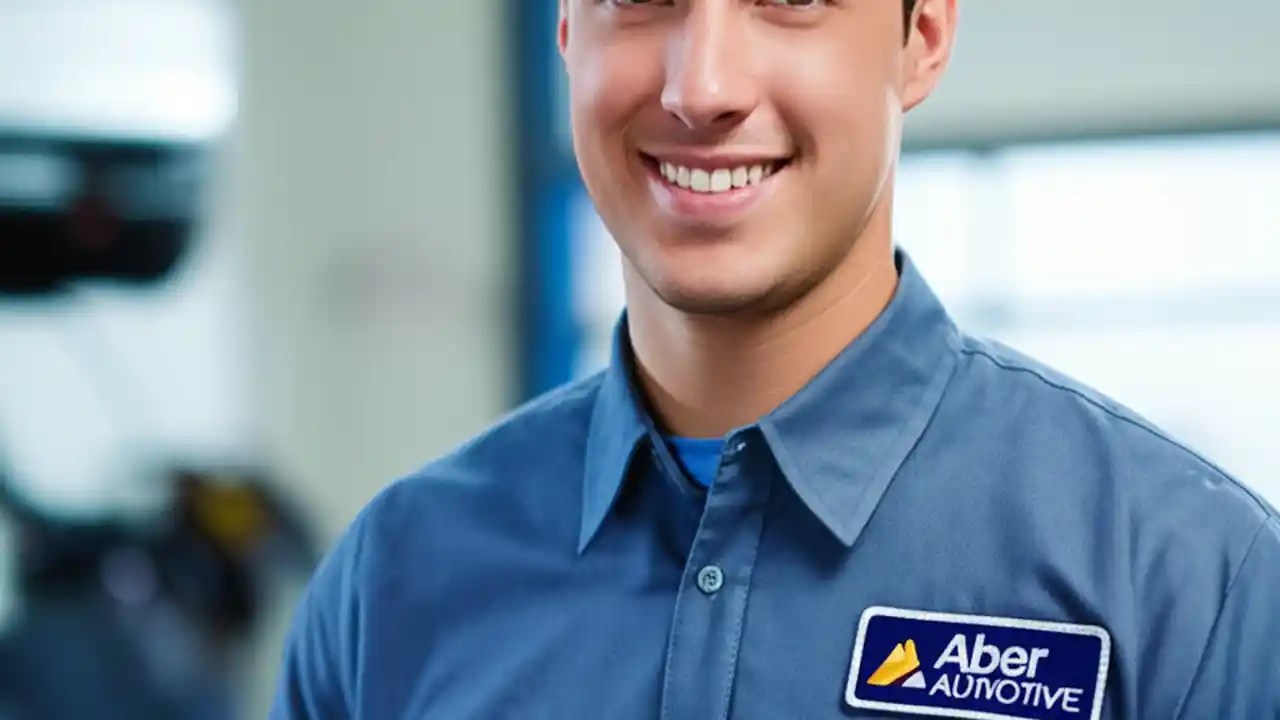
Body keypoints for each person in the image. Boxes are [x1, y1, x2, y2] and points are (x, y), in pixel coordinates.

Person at [271, 0, 1280, 717]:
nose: (700, 85)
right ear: (567, 32)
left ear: (920, 37)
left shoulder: (1191, 586)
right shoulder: (394, 580)